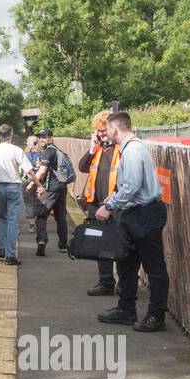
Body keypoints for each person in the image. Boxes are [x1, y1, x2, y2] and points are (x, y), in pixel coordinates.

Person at [95, 111, 170, 332]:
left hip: (145, 214)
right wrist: (115, 197)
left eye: (107, 129)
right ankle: (126, 308)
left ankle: (156, 315)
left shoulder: (133, 150)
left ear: (115, 129)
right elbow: (128, 186)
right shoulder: (128, 149)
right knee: (127, 262)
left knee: (153, 266)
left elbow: (132, 186)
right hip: (135, 213)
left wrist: (109, 206)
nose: (105, 134)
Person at [78, 110, 119, 296]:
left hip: (114, 204)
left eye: (103, 130)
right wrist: (92, 147)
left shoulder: (120, 149)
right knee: (100, 243)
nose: (101, 134)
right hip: (95, 204)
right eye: (98, 131)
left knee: (119, 243)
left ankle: (123, 284)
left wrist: (112, 203)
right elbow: (82, 166)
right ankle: (106, 281)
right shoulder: (99, 148)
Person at [0, 124, 31, 265]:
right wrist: (39, 185)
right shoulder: (17, 150)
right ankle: (11, 255)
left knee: (1, 218)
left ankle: (1, 250)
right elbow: (29, 170)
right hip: (13, 187)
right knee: (12, 220)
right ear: (11, 135)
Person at [30, 128, 70, 256]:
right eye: (40, 137)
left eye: (45, 136)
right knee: (61, 217)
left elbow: (41, 172)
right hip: (62, 188)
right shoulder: (59, 151)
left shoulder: (48, 152)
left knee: (40, 215)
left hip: (50, 189)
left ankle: (41, 241)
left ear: (51, 138)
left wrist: (32, 183)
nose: (41, 139)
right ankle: (63, 244)